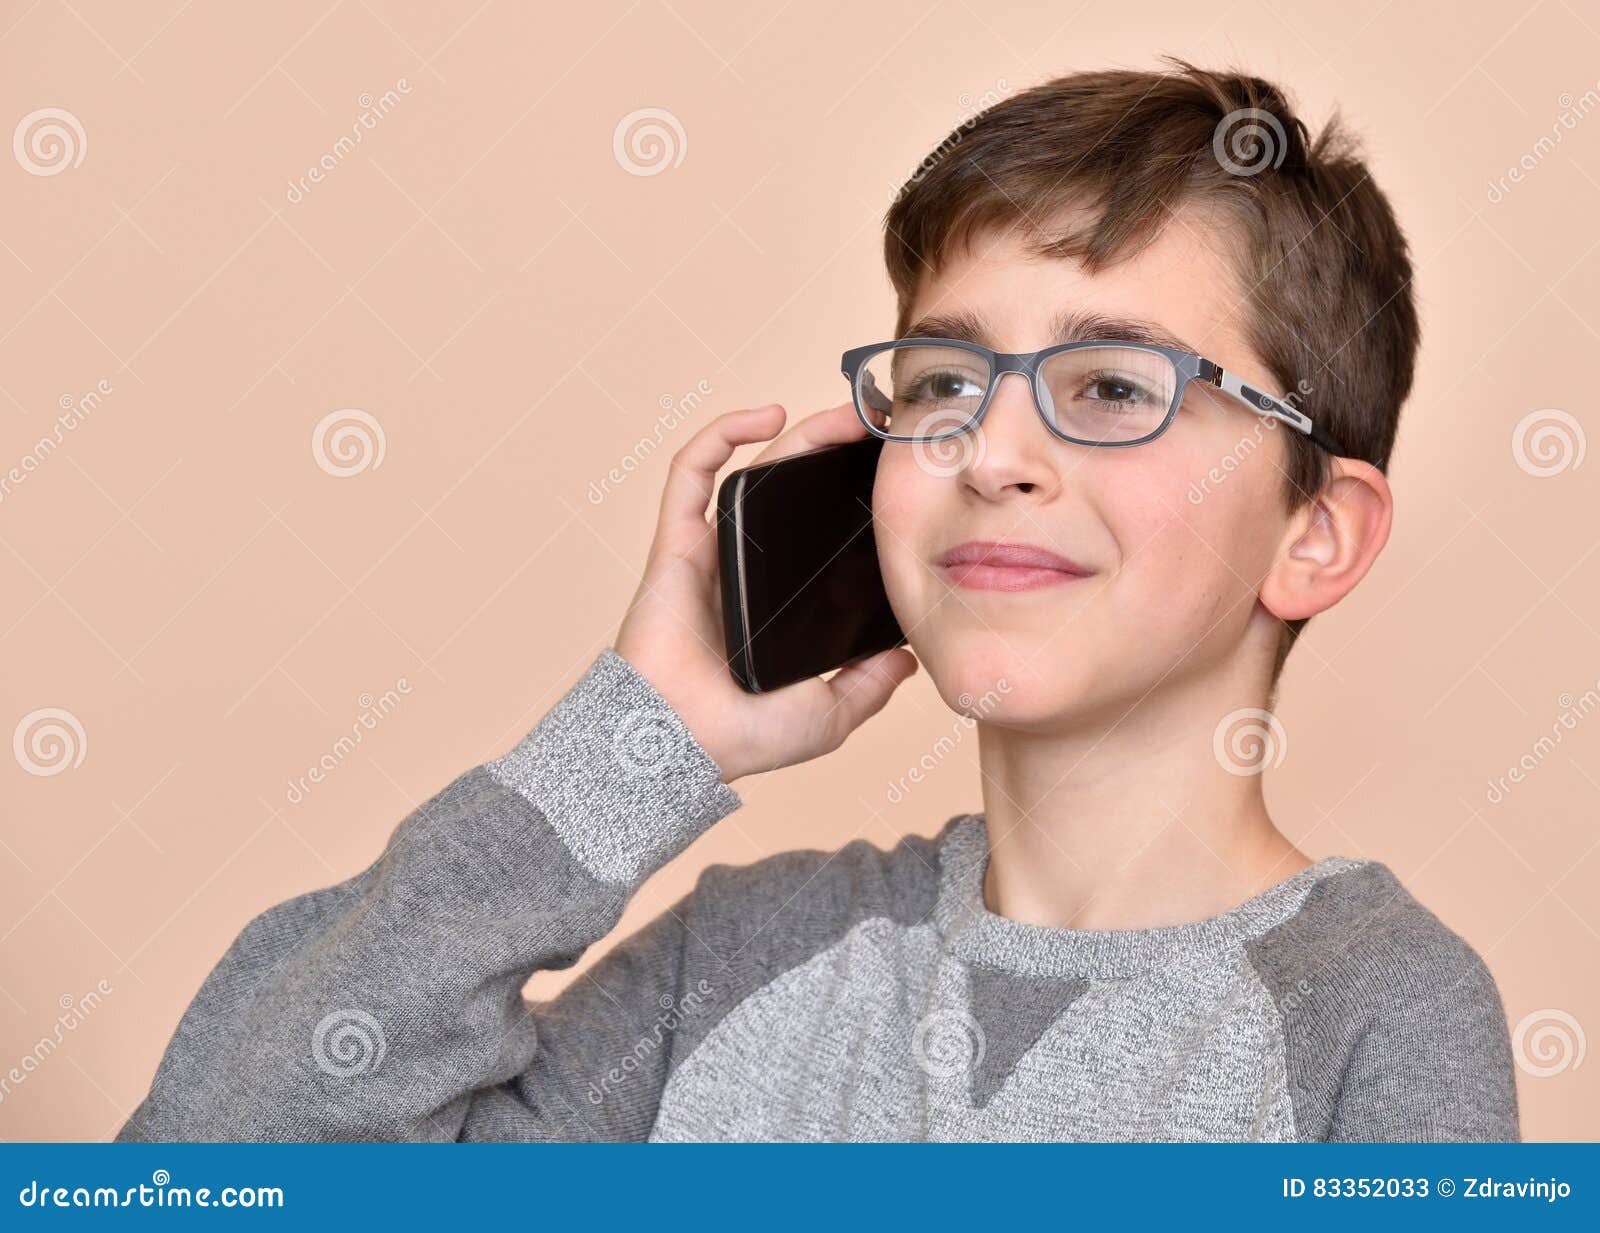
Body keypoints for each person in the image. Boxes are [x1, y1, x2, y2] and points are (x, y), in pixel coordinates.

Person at [117, 58, 1519, 1142]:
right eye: (942, 384)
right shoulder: (736, 962)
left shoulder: (1375, 1012)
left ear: (1317, 532)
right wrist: (641, 739)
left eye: (1109, 387)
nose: (993, 453)